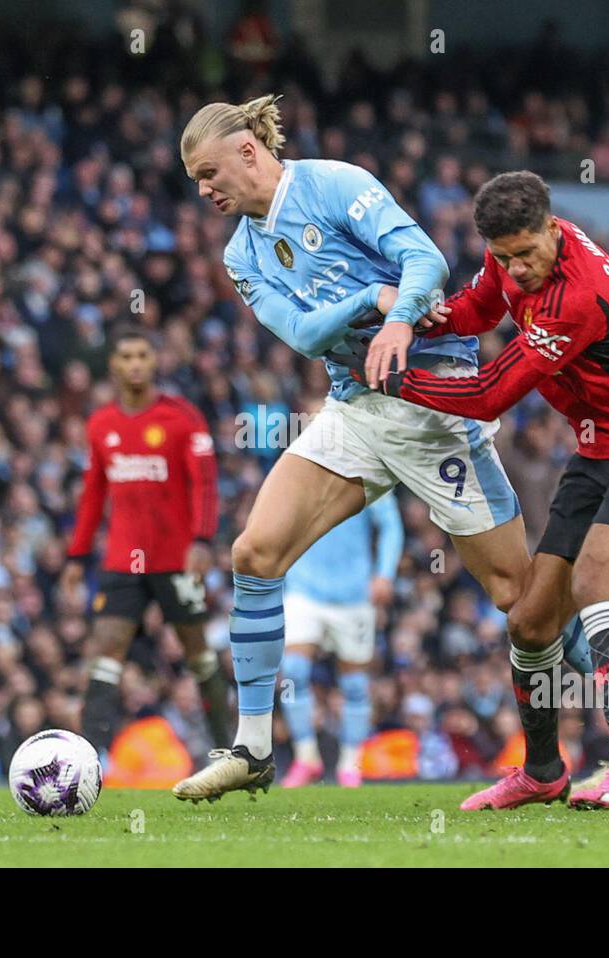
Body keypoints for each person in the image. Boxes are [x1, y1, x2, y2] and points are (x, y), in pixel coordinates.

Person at [172, 94, 533, 802]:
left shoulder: (335, 184)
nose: (206, 191)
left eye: (211, 173)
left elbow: (425, 258)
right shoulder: (241, 253)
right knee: (254, 553)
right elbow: (304, 336)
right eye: (196, 184)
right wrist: (374, 298)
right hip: (356, 408)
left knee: (518, 597)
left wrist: (398, 318)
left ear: (249, 150)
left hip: (433, 404)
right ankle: (252, 748)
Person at [354, 171, 609, 810]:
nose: (517, 268)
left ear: (554, 230)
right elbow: (476, 310)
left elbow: (488, 393)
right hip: (603, 447)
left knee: (598, 585)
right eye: (503, 257)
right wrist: (408, 317)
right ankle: (544, 771)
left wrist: (391, 379)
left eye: (527, 252)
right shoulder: (513, 260)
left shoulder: (577, 295)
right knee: (528, 619)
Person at [63, 327, 232, 758]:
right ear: (114, 366)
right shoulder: (101, 424)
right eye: (127, 356)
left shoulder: (182, 418)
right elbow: (93, 495)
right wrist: (77, 555)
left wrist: (202, 540)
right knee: (105, 649)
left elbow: (205, 484)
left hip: (177, 559)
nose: (135, 364)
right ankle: (91, 757)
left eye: (142, 355)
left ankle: (230, 753)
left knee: (198, 655)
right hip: (123, 562)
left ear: (154, 362)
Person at [280, 491, 403, 788]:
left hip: (353, 593)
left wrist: (385, 574)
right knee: (293, 673)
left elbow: (391, 524)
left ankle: (350, 765)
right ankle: (306, 756)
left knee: (355, 685)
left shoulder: (367, 467)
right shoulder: (302, 465)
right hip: (303, 587)